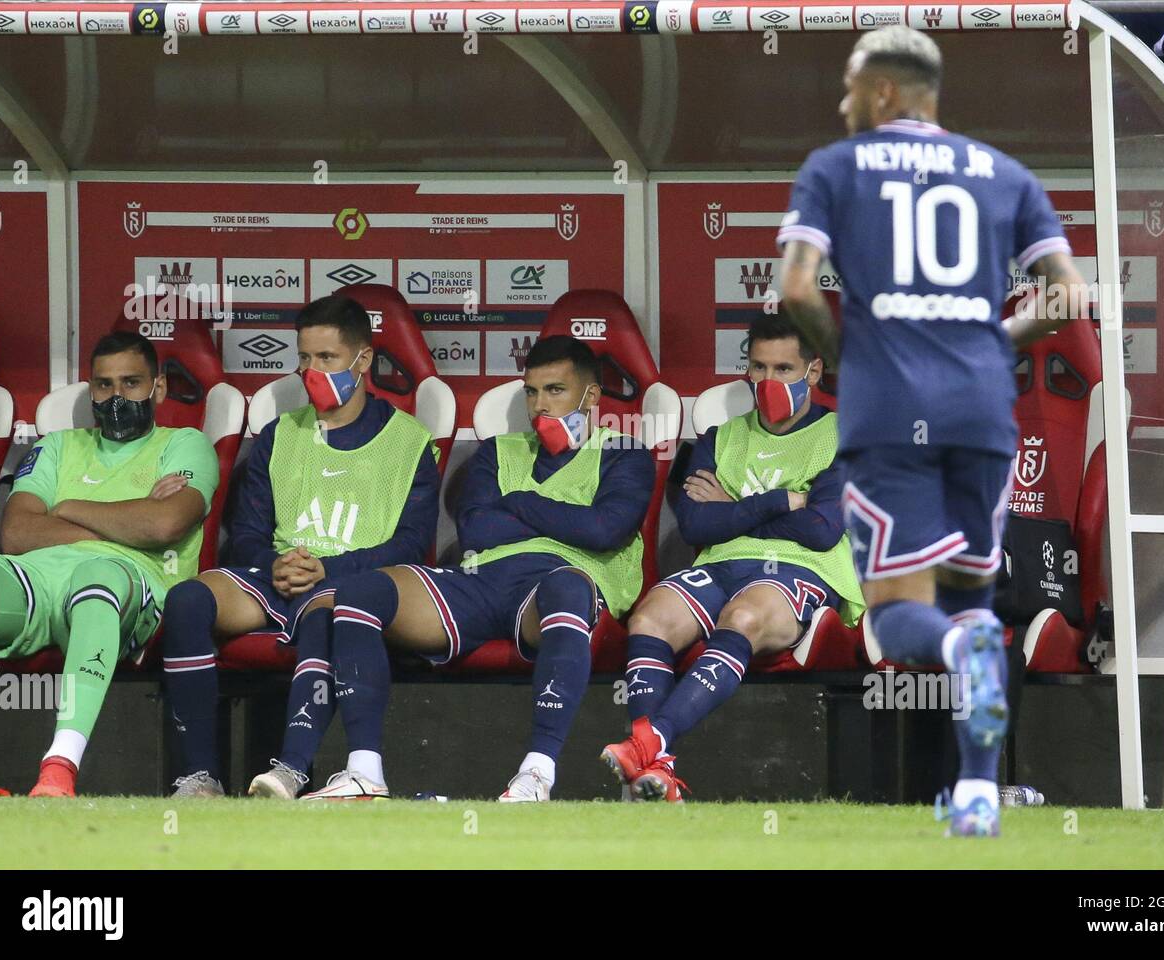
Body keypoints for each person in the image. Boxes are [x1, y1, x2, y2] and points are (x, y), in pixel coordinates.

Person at [777, 26, 1087, 836]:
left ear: (883, 91)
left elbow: (798, 287)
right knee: (972, 599)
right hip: (983, 411)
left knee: (894, 611)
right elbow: (1065, 297)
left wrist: (858, 353)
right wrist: (989, 342)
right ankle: (980, 795)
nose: (842, 104)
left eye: (849, 87)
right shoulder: (1004, 172)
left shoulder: (834, 168)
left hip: (890, 412)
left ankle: (957, 663)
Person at [274, 335, 653, 801]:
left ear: (590, 397)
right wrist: (558, 518)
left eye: (555, 390)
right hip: (482, 581)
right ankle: (363, 773)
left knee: (567, 589)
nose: (540, 406)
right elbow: (476, 528)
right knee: (357, 593)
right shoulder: (499, 450)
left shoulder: (625, 452)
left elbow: (603, 530)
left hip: (554, 589)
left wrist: (519, 502)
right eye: (531, 392)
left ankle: (536, 776)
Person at [162, 295, 439, 798]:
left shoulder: (410, 441)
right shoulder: (279, 435)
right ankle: (199, 777)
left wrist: (326, 569)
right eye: (304, 358)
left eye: (327, 358)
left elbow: (413, 547)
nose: (312, 371)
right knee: (187, 600)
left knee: (324, 609)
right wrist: (275, 563)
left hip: (350, 589)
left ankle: (289, 770)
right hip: (277, 577)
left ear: (363, 360)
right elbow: (244, 532)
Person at [600, 313, 864, 801]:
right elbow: (698, 525)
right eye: (758, 368)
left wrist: (733, 507)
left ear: (812, 372)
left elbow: (823, 530)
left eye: (783, 369)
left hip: (801, 568)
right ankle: (657, 770)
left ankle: (650, 744)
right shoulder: (721, 436)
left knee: (741, 616)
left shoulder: (844, 435)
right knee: (649, 619)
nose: (768, 381)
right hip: (720, 563)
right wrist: (782, 500)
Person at [0, 331, 218, 797]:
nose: (117, 397)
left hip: (128, 585)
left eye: (131, 383)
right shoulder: (60, 445)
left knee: (98, 577)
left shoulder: (185, 445)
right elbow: (18, 533)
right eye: (104, 386)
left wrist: (65, 505)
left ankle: (59, 769)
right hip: (40, 579)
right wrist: (128, 518)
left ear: (158, 388)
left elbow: (166, 524)